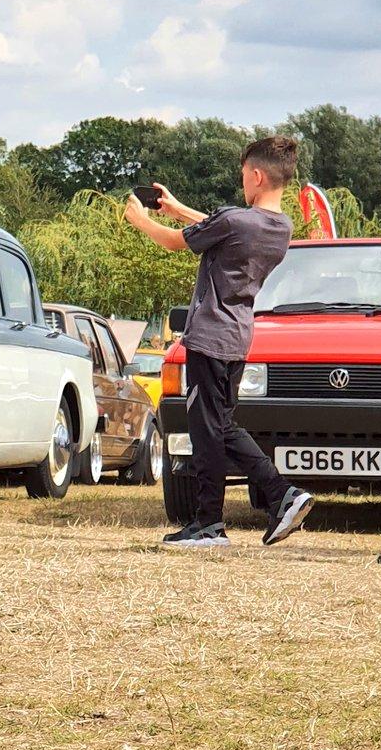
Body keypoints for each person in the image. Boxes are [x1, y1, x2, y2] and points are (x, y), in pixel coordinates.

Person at [123, 136, 314, 547]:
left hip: (209, 336)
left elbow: (181, 240)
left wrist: (143, 220)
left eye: (245, 174)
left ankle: (244, 509)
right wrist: (175, 209)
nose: (242, 181)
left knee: (209, 430)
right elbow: (222, 225)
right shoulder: (280, 228)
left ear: (258, 176)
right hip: (238, 337)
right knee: (218, 426)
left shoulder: (236, 222)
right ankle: (225, 516)